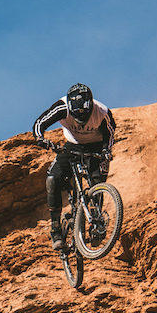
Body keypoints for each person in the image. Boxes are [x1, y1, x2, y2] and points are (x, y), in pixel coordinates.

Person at [33, 83, 117, 251]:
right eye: (76, 113)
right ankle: (55, 228)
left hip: (96, 147)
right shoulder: (62, 107)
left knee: (97, 182)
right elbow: (39, 123)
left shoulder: (101, 112)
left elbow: (110, 133)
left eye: (84, 112)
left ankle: (97, 221)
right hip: (72, 146)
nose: (80, 116)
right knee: (52, 179)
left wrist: (107, 151)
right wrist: (40, 138)